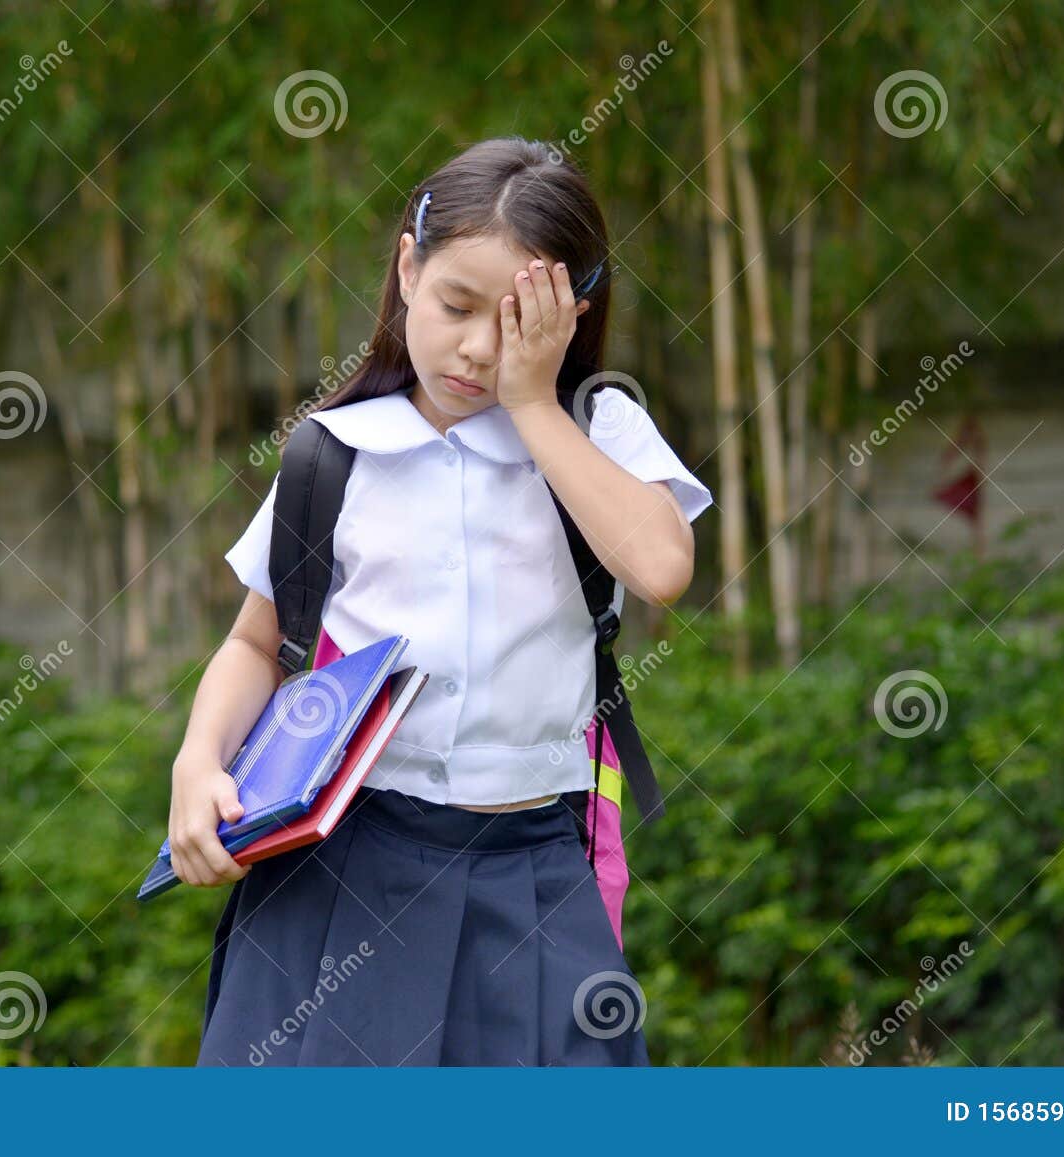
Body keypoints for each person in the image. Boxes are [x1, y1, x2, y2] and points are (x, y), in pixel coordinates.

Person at [167, 137, 713, 1066]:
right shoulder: (334, 453)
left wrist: (533, 403)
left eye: (516, 322)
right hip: (344, 862)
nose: (478, 349)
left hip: (534, 867)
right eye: (457, 305)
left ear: (569, 318)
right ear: (408, 269)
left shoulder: (596, 429)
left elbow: (662, 565)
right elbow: (258, 644)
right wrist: (197, 759)